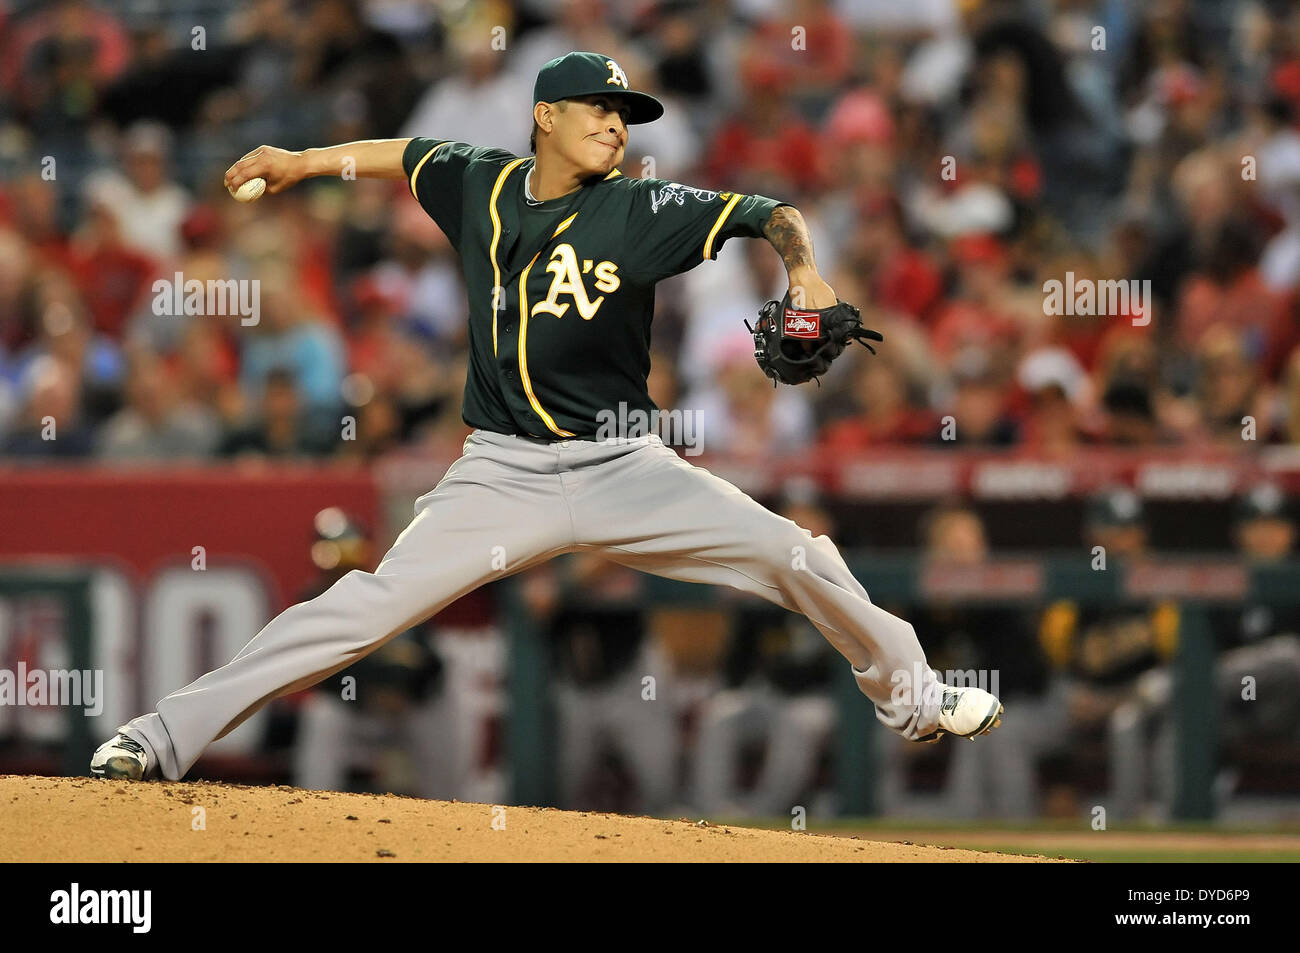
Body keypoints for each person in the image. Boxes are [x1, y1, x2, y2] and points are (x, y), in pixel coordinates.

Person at [91, 51, 1002, 788]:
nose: (615, 123)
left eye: (625, 113)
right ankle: (158, 736)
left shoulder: (640, 208)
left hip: (624, 466)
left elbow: (773, 211)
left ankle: (912, 695)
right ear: (544, 117)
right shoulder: (479, 184)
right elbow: (405, 152)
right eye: (598, 108)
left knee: (798, 554)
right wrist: (302, 161)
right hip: (499, 473)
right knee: (357, 609)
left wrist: (803, 270)